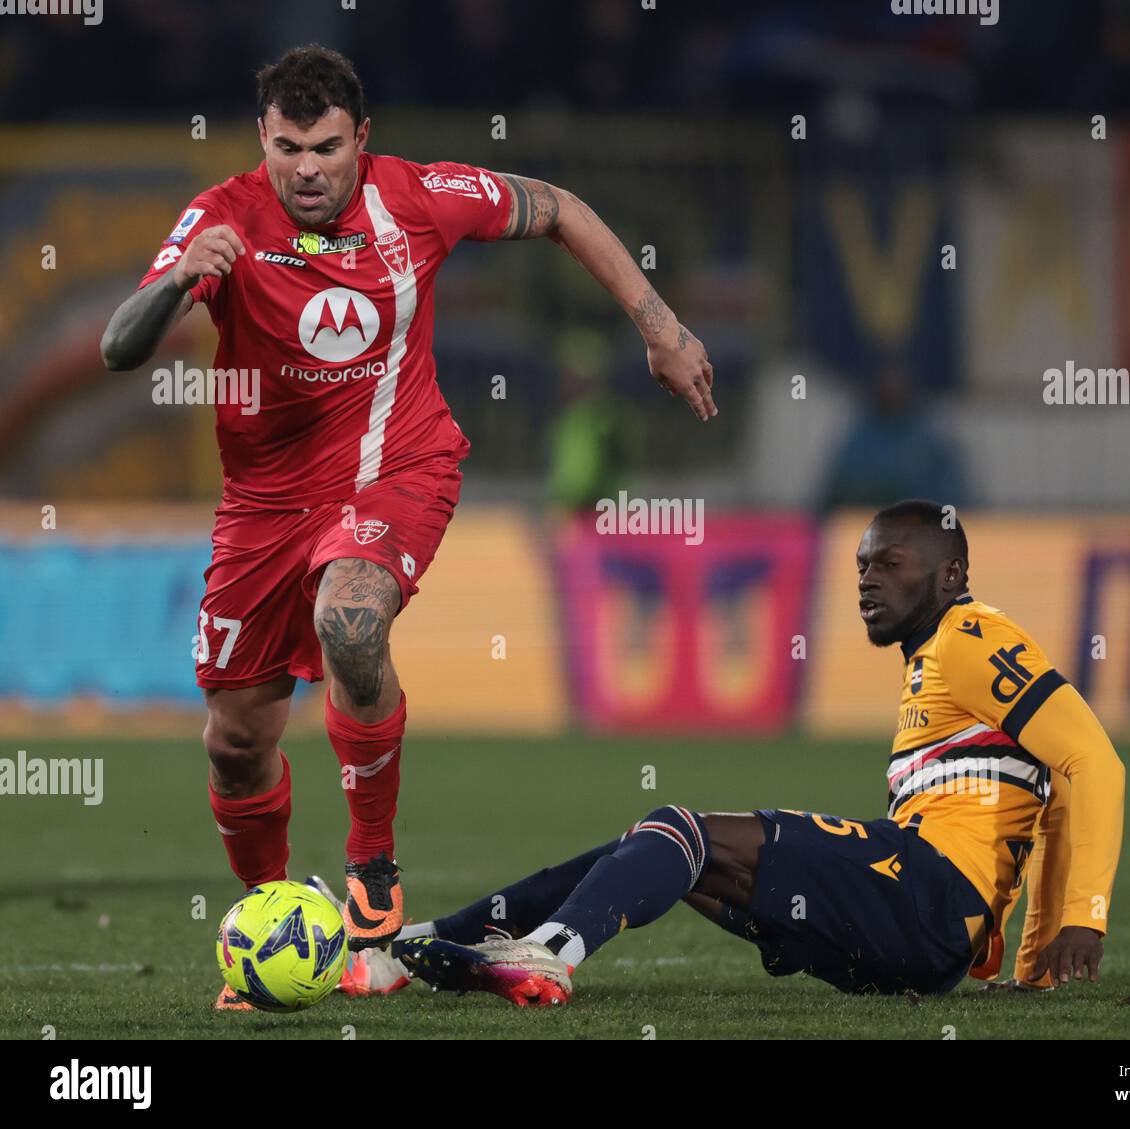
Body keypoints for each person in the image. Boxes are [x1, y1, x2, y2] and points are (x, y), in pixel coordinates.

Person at [98, 44, 716, 1011]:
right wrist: (177, 284)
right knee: (234, 741)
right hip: (264, 504)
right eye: (288, 147)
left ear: (363, 140)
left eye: (327, 148)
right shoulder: (219, 218)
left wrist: (660, 325)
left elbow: (557, 207)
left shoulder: (418, 197)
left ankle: (372, 879)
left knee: (352, 619)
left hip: (399, 469)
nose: (307, 169)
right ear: (262, 138)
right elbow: (117, 348)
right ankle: (281, 929)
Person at [374, 500, 1125, 1005]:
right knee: (657, 844)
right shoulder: (934, 657)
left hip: (928, 895)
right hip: (922, 934)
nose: (867, 579)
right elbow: (1051, 790)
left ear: (952, 574)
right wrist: (1031, 966)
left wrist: (1082, 916)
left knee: (684, 827)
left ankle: (553, 951)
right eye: (862, 564)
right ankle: (441, 940)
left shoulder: (972, 636)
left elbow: (1092, 759)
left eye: (891, 564)